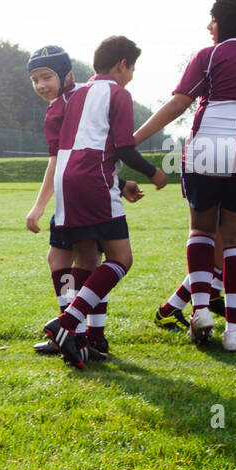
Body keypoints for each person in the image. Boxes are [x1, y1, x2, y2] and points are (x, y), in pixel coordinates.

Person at [133, 0, 236, 350]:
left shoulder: (207, 56)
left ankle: (201, 310)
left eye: (212, 19)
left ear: (223, 21)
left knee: (202, 232)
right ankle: (235, 332)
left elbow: (179, 103)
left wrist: (133, 139)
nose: (209, 27)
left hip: (205, 148)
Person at [41, 36, 167, 368]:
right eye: (132, 67)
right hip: (95, 181)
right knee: (120, 259)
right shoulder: (118, 93)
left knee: (86, 261)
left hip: (67, 182)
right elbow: (124, 147)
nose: (131, 75)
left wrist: (122, 182)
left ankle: (87, 341)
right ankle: (67, 324)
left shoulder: (74, 94)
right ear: (122, 64)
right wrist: (154, 172)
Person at [24, 45, 144, 358]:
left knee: (63, 260)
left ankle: (70, 332)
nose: (40, 85)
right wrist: (121, 182)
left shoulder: (66, 104)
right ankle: (89, 337)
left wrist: (38, 207)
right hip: (93, 188)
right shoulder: (84, 94)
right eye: (34, 79)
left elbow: (60, 162)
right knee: (87, 262)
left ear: (67, 74)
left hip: (77, 194)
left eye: (46, 76)